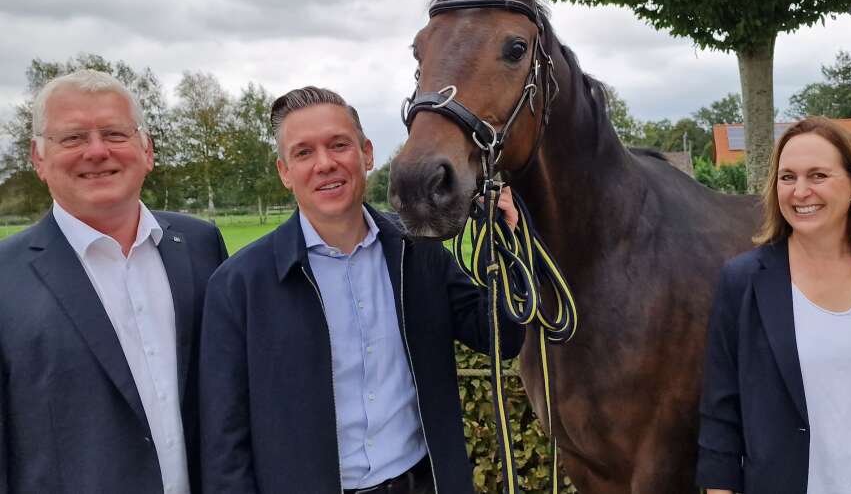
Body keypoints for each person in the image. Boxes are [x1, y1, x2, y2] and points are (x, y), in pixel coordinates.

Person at [199, 86, 524, 494]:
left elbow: (502, 338)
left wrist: (508, 249)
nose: (325, 164)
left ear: (366, 153)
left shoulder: (418, 251)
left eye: (339, 145)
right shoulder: (237, 286)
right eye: (303, 153)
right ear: (284, 172)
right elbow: (224, 442)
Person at [0, 69, 228, 493]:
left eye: (115, 133)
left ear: (147, 150)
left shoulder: (200, 246)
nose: (97, 151)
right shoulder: (4, 278)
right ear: (38, 159)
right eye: (72, 138)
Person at [696, 116, 851, 494]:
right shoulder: (743, 282)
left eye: (818, 175)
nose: (800, 191)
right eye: (787, 177)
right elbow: (721, 417)